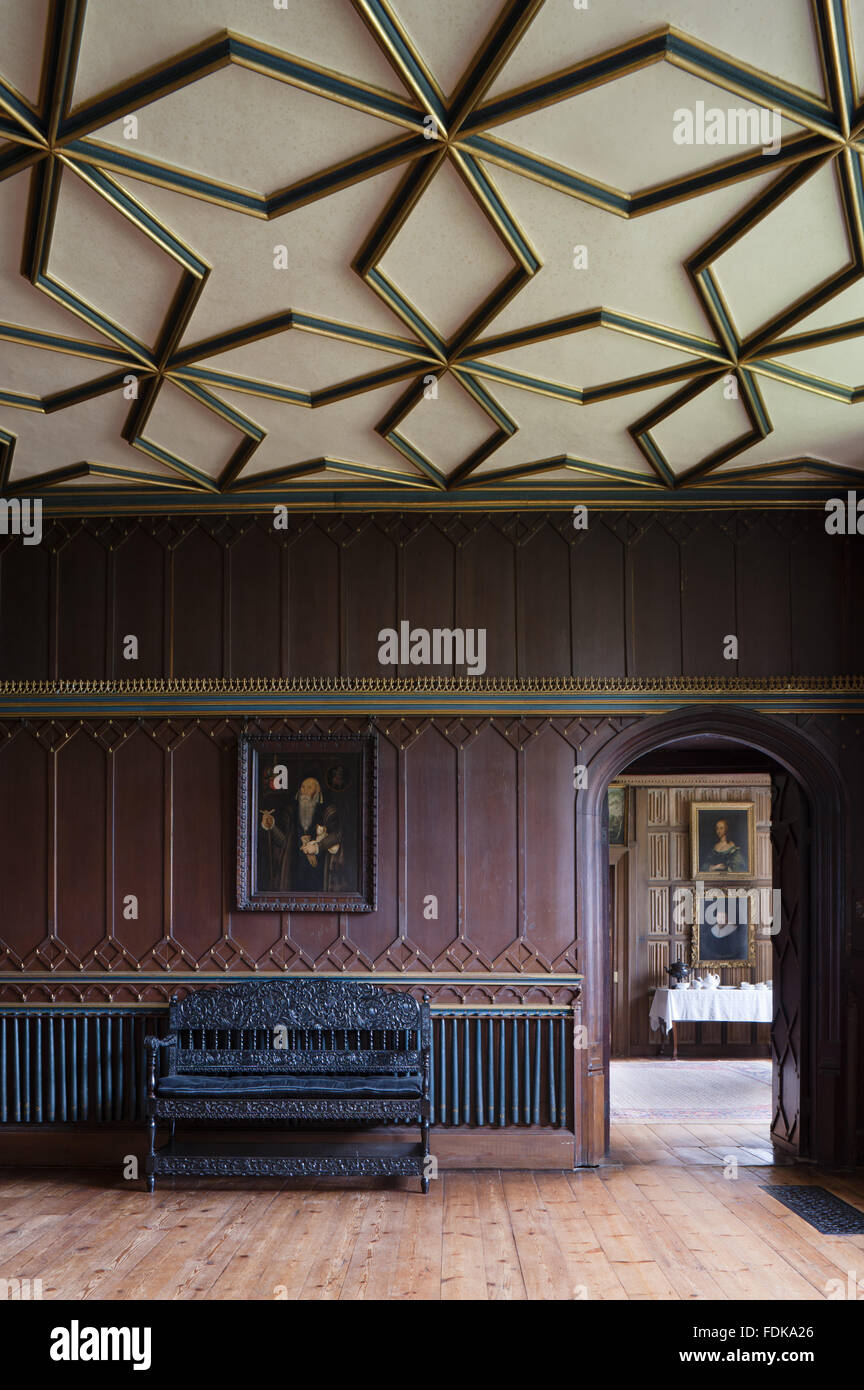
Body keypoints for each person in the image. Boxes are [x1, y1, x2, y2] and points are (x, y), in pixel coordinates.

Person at [259, 775, 344, 893]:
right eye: (302, 787)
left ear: (317, 790)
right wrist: (271, 826)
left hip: (320, 875)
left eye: (309, 787)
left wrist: (317, 847)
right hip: (294, 874)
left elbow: (337, 835)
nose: (304, 791)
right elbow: (282, 842)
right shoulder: (290, 811)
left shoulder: (328, 811)